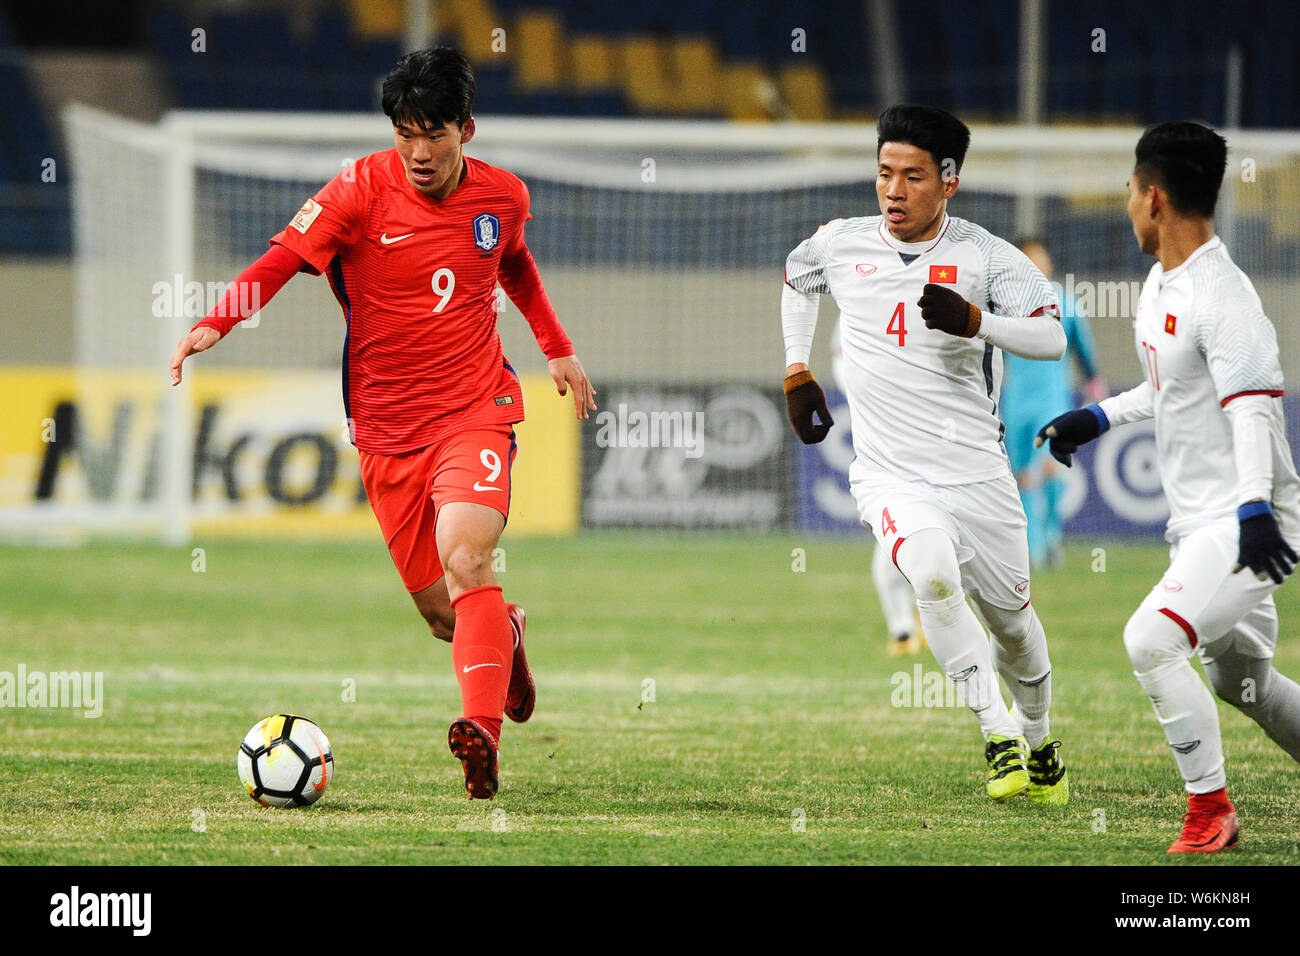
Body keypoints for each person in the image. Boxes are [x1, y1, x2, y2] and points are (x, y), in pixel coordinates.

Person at [169, 47, 596, 800]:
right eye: (406, 133)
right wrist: (216, 323)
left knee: (468, 562)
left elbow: (515, 264)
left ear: (467, 127)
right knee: (444, 616)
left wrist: (557, 349)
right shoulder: (358, 190)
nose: (420, 151)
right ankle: (510, 639)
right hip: (386, 430)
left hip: (474, 409)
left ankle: (480, 736)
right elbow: (280, 258)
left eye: (434, 133)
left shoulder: (504, 197)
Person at [781, 104, 1069, 803]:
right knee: (932, 577)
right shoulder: (841, 242)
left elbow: (1051, 339)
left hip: (977, 472)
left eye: (912, 177)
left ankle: (1038, 738)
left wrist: (980, 322)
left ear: (949, 182)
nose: (893, 191)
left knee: (1015, 628)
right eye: (884, 174)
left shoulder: (989, 257)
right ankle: (997, 734)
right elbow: (796, 276)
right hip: (890, 473)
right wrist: (796, 368)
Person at [1037, 121, 1300, 853]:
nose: (1126, 204)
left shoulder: (1227, 296)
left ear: (1154, 198)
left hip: (1250, 518)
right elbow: (1172, 391)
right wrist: (1097, 415)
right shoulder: (1160, 284)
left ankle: (1211, 811)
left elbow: (1252, 411)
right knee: (1245, 685)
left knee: (1151, 642)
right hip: (1202, 522)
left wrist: (1253, 506)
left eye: (1129, 190)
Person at [999, 238, 1105, 568]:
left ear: (1048, 265)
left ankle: (1052, 535)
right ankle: (1032, 548)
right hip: (1016, 402)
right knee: (1023, 477)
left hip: (1053, 399)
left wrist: (1094, 381)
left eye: (1039, 260)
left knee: (1049, 466)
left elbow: (1083, 349)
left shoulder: (1066, 303)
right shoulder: (1004, 304)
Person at [829, 318, 927, 656]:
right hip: (898, 476)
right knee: (900, 555)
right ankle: (911, 630)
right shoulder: (873, 401)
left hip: (922, 474)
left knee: (900, 557)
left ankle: (915, 629)